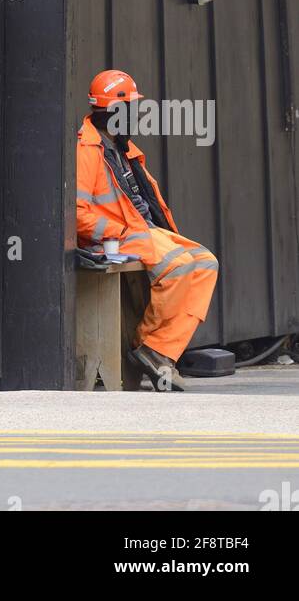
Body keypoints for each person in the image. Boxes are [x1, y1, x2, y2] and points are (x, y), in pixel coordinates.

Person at [77, 69, 219, 391]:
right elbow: (78, 215)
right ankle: (151, 348)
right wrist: (117, 232)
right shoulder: (87, 151)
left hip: (145, 230)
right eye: (130, 108)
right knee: (180, 268)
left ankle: (158, 349)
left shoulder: (123, 147)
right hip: (125, 236)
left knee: (206, 263)